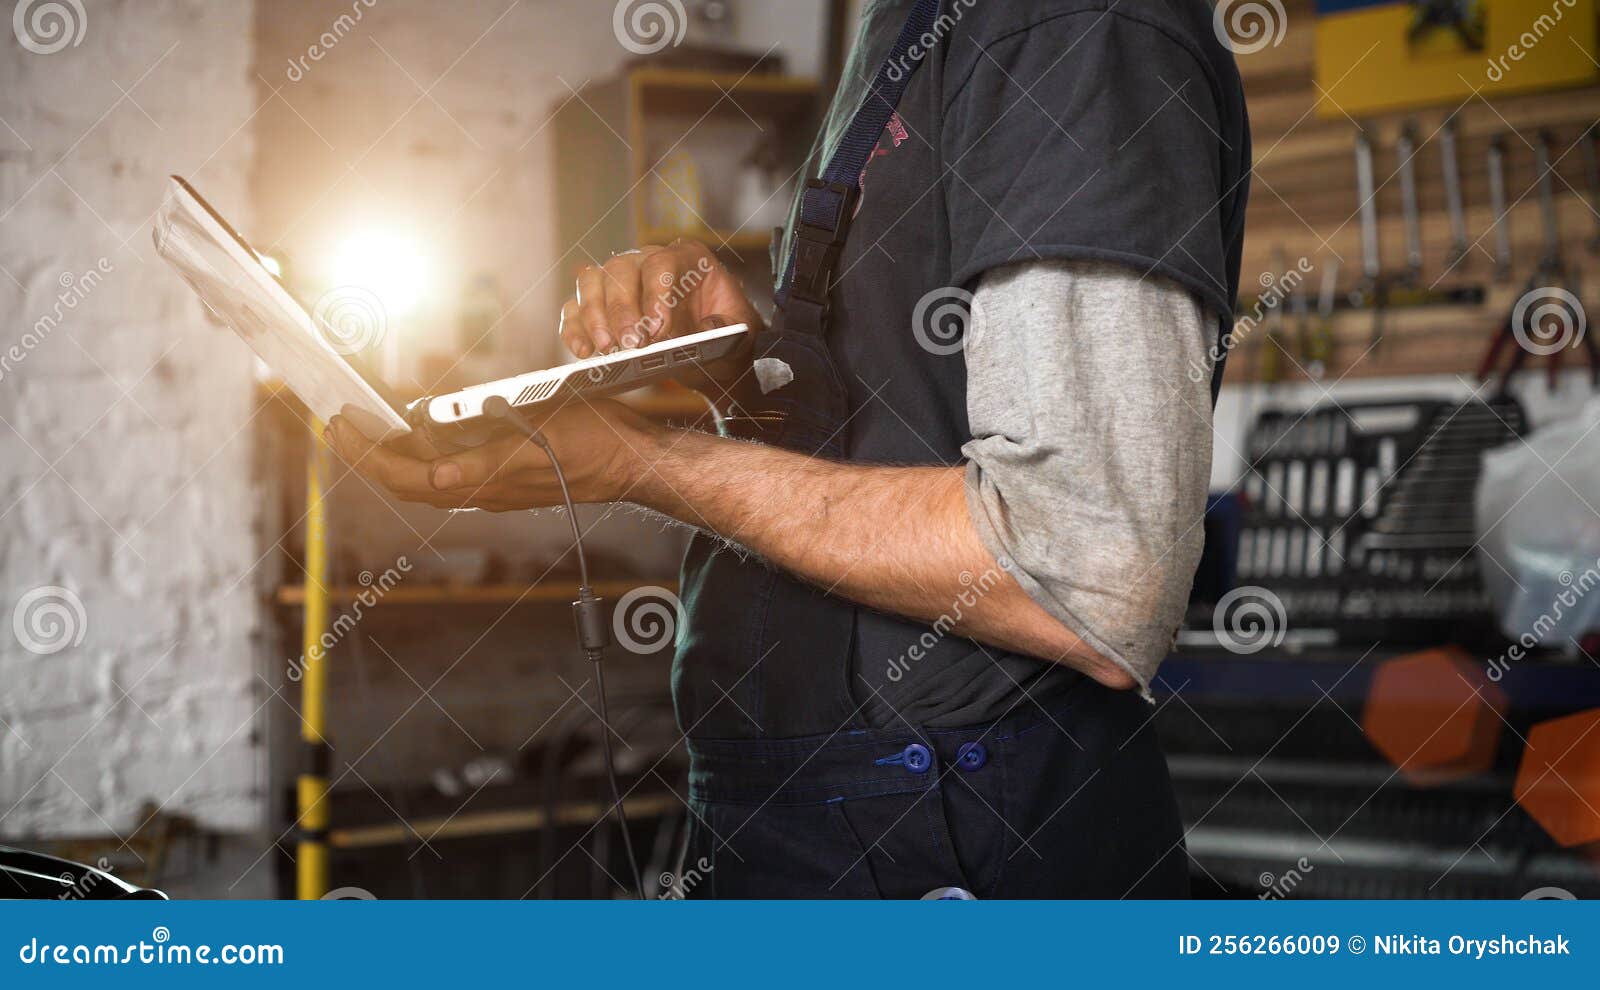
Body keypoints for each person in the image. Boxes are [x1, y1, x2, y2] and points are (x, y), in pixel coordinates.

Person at [330, 0, 1250, 898]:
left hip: (954, 827)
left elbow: (1091, 573)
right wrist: (743, 367)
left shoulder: (1075, 31)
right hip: (815, 799)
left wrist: (640, 462)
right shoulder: (907, 26)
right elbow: (901, 432)